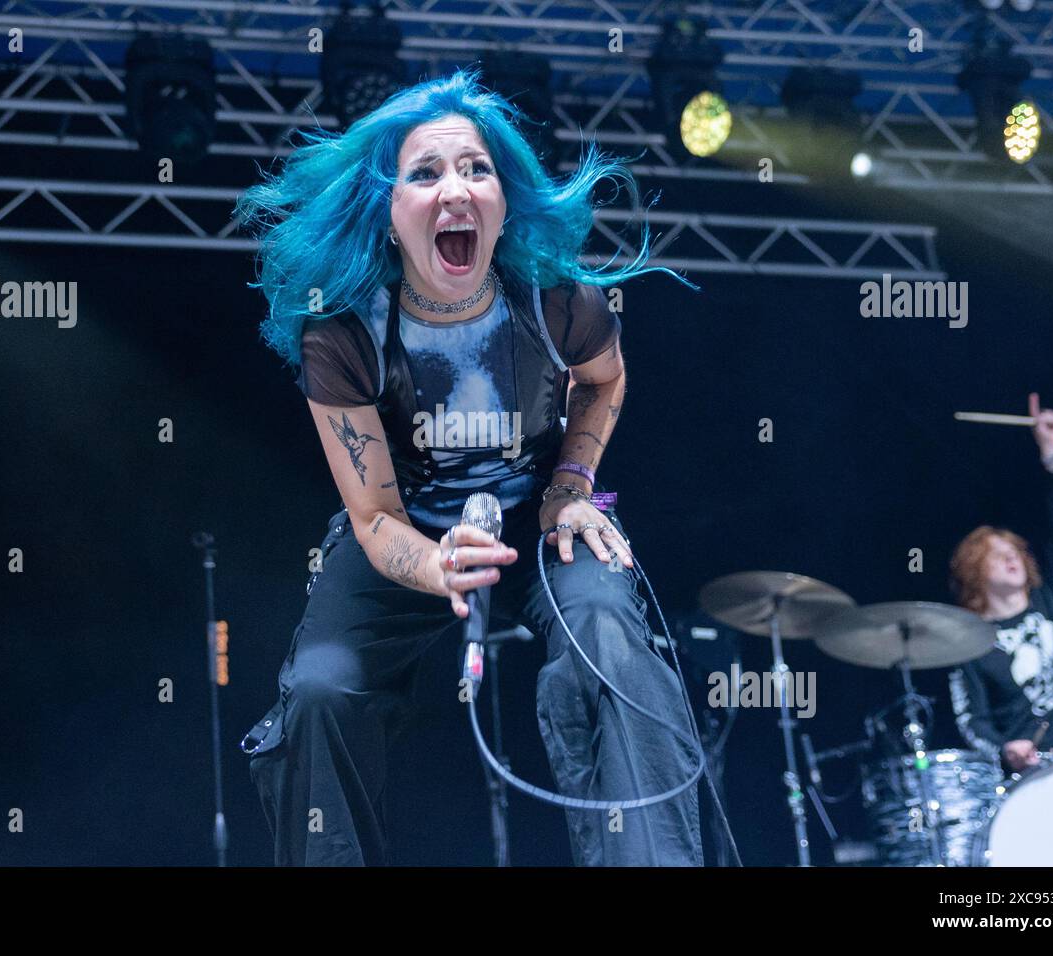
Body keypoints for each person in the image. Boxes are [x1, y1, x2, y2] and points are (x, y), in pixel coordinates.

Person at [235, 68, 706, 865]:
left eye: (475, 169)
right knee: (318, 691)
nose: (455, 188)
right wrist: (437, 563)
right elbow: (373, 516)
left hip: (536, 519)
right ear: (387, 214)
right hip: (406, 531)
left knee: (613, 642)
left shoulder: (560, 301)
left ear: (503, 202)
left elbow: (606, 380)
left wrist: (569, 487)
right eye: (424, 173)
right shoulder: (342, 337)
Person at [947, 393, 1053, 773]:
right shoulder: (970, 642)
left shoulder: (1048, 601)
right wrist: (1005, 749)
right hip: (1034, 775)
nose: (1011, 558)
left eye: (1013, 551)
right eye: (996, 555)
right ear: (974, 572)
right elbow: (972, 721)